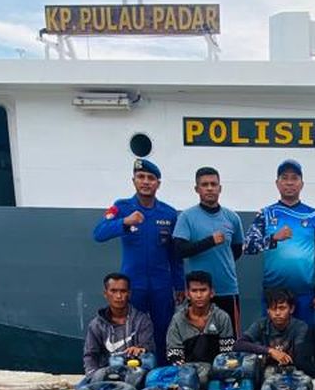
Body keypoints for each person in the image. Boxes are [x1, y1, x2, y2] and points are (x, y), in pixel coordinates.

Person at [92, 158, 183, 361]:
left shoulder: (168, 213)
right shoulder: (121, 207)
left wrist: (179, 285)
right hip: (133, 285)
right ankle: (135, 374)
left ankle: (161, 373)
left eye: (151, 178)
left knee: (164, 331)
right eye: (141, 177)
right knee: (133, 333)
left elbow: (174, 254)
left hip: (161, 285)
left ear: (158, 184)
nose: (145, 181)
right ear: (133, 180)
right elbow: (98, 233)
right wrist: (124, 222)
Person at [243, 159, 315, 325]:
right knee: (271, 342)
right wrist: (273, 238)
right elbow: (248, 247)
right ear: (277, 183)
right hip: (274, 292)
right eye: (285, 178)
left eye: (294, 178)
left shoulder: (314, 215)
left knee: (304, 341)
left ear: (302, 183)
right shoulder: (266, 213)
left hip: (305, 293)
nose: (289, 183)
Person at [173, 167, 245, 333]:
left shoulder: (232, 218)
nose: (210, 188)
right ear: (197, 189)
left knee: (230, 341)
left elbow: (236, 251)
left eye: (214, 184)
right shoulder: (186, 217)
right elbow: (180, 250)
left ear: (220, 188)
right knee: (197, 341)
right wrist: (210, 241)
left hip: (227, 289)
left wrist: (221, 263)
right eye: (205, 184)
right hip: (198, 292)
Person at [82, 272, 156, 374]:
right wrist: (93, 375)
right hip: (107, 375)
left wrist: (140, 350)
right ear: (105, 294)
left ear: (129, 294)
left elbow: (149, 350)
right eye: (113, 291)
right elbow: (90, 355)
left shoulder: (142, 320)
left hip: (136, 373)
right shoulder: (96, 325)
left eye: (123, 291)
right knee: (83, 388)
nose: (118, 296)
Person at [164, 271, 236, 365]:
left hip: (216, 372)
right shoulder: (177, 320)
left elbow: (227, 353)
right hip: (186, 373)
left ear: (211, 293)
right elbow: (174, 355)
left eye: (203, 290)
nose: (199, 295)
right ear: (187, 294)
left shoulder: (222, 317)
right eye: (194, 291)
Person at [234, 288, 313, 368]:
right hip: (265, 370)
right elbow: (238, 344)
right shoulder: (261, 325)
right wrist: (270, 351)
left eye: (282, 308)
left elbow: (300, 353)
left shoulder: (300, 327)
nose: (277, 313)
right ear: (268, 310)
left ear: (291, 309)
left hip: (292, 371)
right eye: (273, 308)